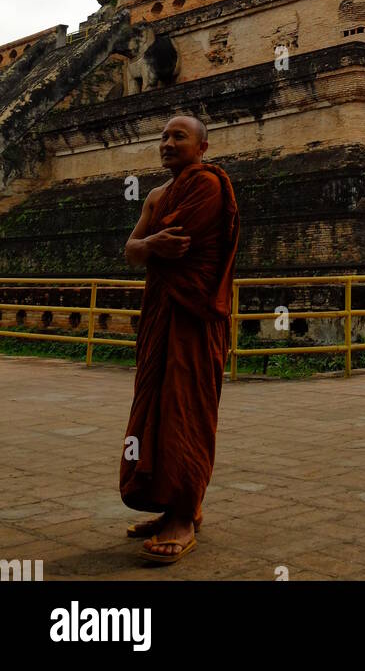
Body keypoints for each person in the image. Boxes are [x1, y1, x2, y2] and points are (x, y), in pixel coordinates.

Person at [119, 114, 239, 564]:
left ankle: (183, 515)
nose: (168, 143)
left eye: (179, 137)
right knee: (154, 407)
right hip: (159, 316)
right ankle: (173, 502)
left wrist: (151, 247)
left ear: (202, 147)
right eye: (164, 136)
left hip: (193, 317)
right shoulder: (155, 196)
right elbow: (133, 249)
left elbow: (181, 245)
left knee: (185, 410)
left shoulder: (207, 186)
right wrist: (149, 247)